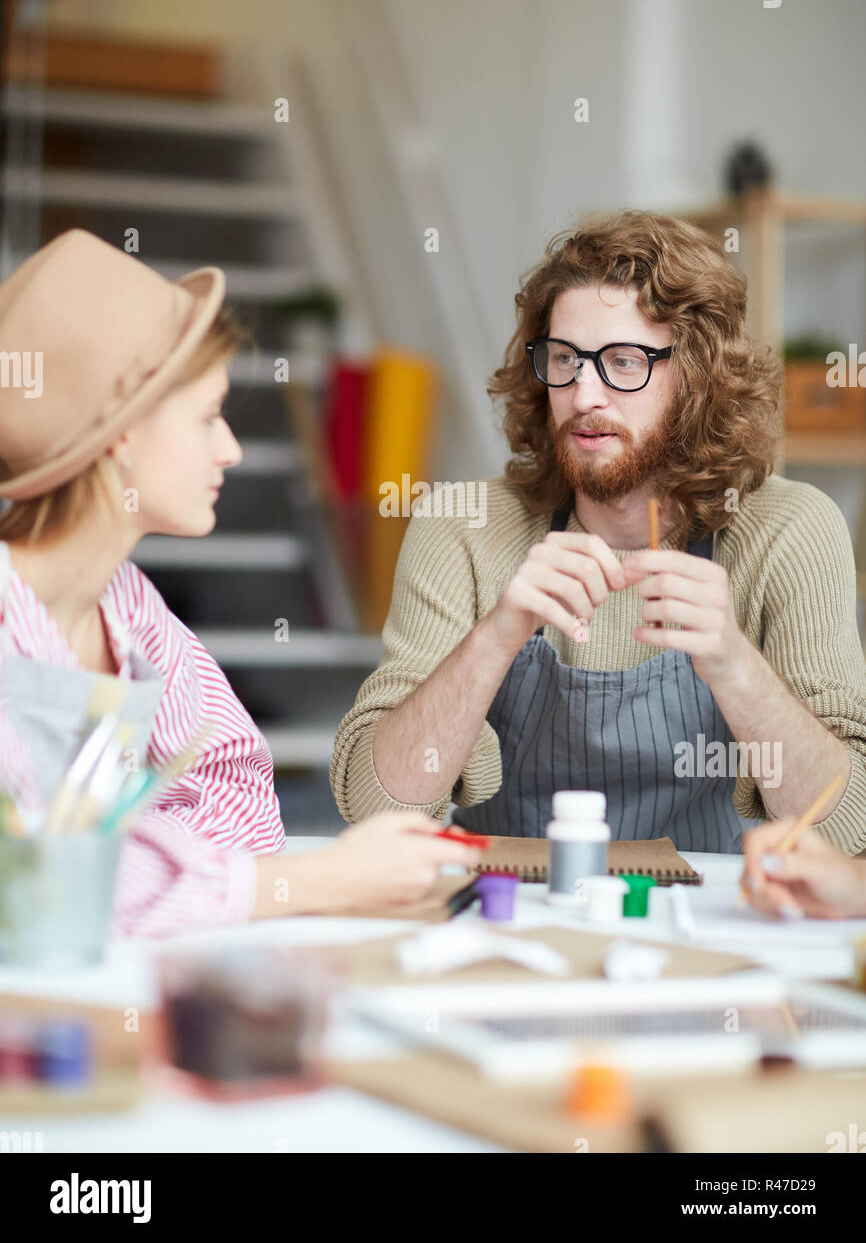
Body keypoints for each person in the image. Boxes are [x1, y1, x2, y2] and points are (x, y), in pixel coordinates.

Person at [331, 210, 866, 855]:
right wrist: (495, 636)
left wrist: (735, 665)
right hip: (510, 917)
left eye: (621, 361)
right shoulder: (461, 526)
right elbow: (376, 808)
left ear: (698, 377)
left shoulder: (789, 531)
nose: (584, 395)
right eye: (565, 359)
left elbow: (847, 830)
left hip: (704, 924)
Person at [0, 229, 470, 937]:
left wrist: (136, 864)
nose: (232, 448)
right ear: (121, 436)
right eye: (207, 416)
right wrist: (319, 881)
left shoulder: (126, 606)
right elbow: (31, 878)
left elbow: (243, 794)